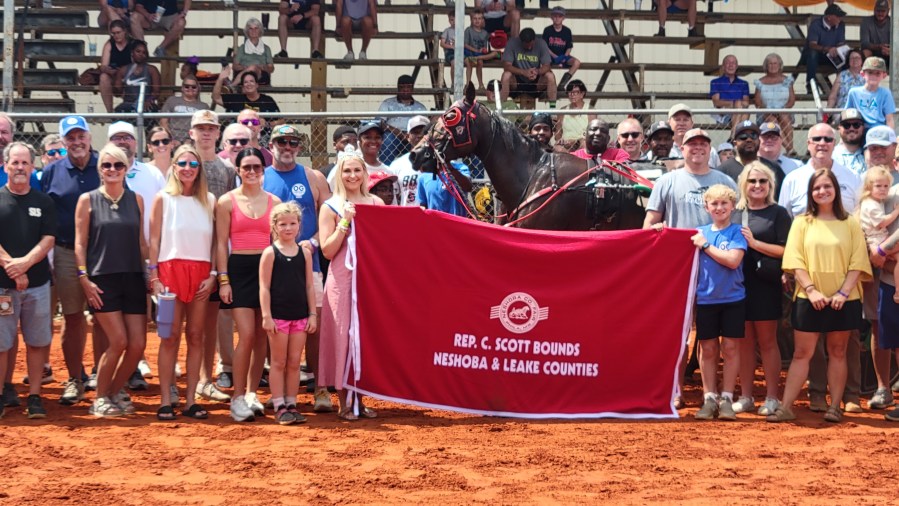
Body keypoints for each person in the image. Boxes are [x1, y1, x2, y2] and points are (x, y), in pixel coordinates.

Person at [768, 168, 872, 423]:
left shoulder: (850, 223)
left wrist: (843, 292)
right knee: (802, 353)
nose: (822, 191)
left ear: (836, 190)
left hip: (843, 299)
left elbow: (858, 261)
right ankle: (787, 407)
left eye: (827, 186)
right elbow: (795, 259)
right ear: (810, 193)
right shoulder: (802, 222)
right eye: (817, 188)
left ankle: (835, 406)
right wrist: (811, 290)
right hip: (808, 298)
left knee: (838, 351)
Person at [644, 128, 738, 409]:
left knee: (710, 333)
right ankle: (676, 389)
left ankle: (716, 394)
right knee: (678, 333)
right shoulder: (667, 181)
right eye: (691, 144)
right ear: (681, 148)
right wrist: (657, 231)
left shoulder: (724, 181)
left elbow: (737, 226)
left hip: (717, 267)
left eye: (703, 144)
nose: (697, 148)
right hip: (678, 268)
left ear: (710, 149)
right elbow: (649, 224)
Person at [261, 124, 332, 412]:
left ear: (300, 147)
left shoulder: (313, 177)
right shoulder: (261, 177)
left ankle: (321, 388)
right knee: (274, 326)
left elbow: (330, 215)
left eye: (292, 142)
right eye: (281, 141)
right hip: (275, 266)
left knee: (315, 325)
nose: (287, 147)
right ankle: (275, 390)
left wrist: (314, 243)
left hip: (309, 264)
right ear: (272, 144)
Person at [74, 144, 148, 418]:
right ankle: (100, 398)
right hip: (102, 278)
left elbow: (142, 243)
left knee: (138, 344)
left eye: (118, 165)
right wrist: (83, 277)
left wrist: (153, 270)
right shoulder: (87, 200)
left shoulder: (137, 199)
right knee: (117, 341)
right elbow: (80, 243)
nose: (113, 170)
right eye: (107, 165)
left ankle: (114, 391)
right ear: (100, 170)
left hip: (133, 278)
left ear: (126, 169)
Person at [147, 144, 216, 420]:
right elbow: (154, 240)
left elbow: (216, 241)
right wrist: (154, 276)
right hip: (169, 271)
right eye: (182, 163)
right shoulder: (162, 198)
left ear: (199, 169)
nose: (188, 169)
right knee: (170, 336)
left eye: (193, 164)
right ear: (174, 167)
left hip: (200, 274)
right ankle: (166, 400)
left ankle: (190, 401)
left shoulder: (209, 200)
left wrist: (212, 275)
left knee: (197, 336)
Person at [41, 116, 106, 407]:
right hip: (66, 252)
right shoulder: (51, 172)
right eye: (71, 137)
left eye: (81, 136)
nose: (77, 142)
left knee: (105, 317)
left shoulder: (107, 165)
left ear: (89, 137)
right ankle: (74, 379)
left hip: (103, 253)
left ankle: (101, 377)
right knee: (72, 316)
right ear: (64, 141)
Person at [217, 148, 282, 422]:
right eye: (247, 167)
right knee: (245, 335)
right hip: (238, 270)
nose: (252, 172)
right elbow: (220, 243)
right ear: (238, 170)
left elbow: (278, 242)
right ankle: (237, 397)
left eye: (257, 167)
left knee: (261, 339)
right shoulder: (226, 202)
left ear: (263, 170)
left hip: (267, 270)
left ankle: (253, 393)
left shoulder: (275, 201)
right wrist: (223, 280)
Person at [319, 152, 385, 420]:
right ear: (339, 174)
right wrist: (345, 221)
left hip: (368, 281)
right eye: (347, 171)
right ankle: (344, 401)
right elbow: (327, 250)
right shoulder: (330, 206)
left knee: (364, 338)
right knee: (342, 335)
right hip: (342, 280)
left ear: (365, 173)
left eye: (357, 170)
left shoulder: (377, 203)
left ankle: (360, 398)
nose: (352, 176)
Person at [0, 142, 57, 419]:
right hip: (4, 288)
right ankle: (1, 395)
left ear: (32, 167)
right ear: (5, 165)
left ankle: (35, 396)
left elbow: (48, 239)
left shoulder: (43, 201)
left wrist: (26, 263)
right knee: (1, 344)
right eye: (15, 163)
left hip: (38, 286)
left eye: (25, 163)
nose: (20, 167)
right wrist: (13, 267)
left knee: (36, 341)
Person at [734, 161, 791, 416]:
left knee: (768, 342)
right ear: (743, 184)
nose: (757, 186)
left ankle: (771, 397)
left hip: (765, 284)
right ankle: (746, 396)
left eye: (762, 181)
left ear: (770, 185)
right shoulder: (734, 212)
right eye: (752, 181)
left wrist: (755, 243)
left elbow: (786, 251)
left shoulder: (778, 213)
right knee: (744, 343)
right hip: (737, 284)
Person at [188, 110, 236, 401]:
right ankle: (182, 380)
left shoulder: (226, 170)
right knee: (185, 322)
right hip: (185, 252)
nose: (206, 133)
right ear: (192, 132)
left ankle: (206, 378)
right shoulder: (183, 164)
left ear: (218, 133)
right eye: (200, 128)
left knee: (207, 322)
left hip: (214, 253)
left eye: (210, 128)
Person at [690, 184, 747, 421]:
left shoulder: (737, 232)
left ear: (733, 206)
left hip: (733, 298)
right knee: (708, 348)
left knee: (731, 348)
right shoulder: (698, 231)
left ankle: (726, 398)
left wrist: (705, 245)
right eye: (714, 203)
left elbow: (733, 261)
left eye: (724, 203)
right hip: (705, 299)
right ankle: (709, 397)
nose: (719, 207)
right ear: (706, 207)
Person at [260, 202, 316, 425]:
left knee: (294, 362)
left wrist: (312, 314)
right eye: (282, 224)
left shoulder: (305, 253)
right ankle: (278, 405)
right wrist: (266, 316)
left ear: (299, 226)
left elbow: (310, 286)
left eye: (292, 223)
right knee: (278, 362)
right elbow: (263, 286)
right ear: (274, 226)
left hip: (300, 316)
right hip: (278, 317)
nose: (288, 228)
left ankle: (291, 403)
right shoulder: (270, 253)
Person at [779, 124, 861, 219]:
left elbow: (859, 216)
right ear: (808, 144)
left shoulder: (852, 177)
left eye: (828, 139)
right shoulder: (792, 180)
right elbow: (784, 219)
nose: (822, 143)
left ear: (834, 144)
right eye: (817, 139)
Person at [717, 120, 785, 199]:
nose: (749, 139)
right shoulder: (724, 170)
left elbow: (782, 198)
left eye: (753, 136)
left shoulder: (773, 167)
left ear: (759, 141)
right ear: (735, 143)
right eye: (743, 137)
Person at [378, 75, 426, 166]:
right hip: (393, 135)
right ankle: (385, 170)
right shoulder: (387, 103)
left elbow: (424, 127)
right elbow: (380, 123)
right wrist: (396, 132)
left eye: (408, 87)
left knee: (421, 138)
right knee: (388, 138)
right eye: (402, 87)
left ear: (412, 89)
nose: (405, 90)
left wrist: (411, 134)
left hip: (412, 136)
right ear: (398, 88)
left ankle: (418, 168)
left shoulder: (420, 107)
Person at [500, 28, 556, 106]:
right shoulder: (512, 43)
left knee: (550, 76)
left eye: (531, 45)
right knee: (506, 75)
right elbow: (506, 66)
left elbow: (547, 65)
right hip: (517, 81)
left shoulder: (541, 43)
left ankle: (553, 110)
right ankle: (502, 109)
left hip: (535, 81)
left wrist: (537, 72)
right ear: (521, 41)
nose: (529, 48)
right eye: (526, 45)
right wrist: (523, 72)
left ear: (534, 40)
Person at [754, 53, 796, 154]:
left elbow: (792, 100)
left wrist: (783, 109)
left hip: (784, 111)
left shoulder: (787, 81)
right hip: (766, 113)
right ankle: (789, 148)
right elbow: (757, 102)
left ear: (779, 65)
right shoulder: (761, 82)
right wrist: (767, 110)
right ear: (766, 66)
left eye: (775, 63)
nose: (773, 66)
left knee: (784, 117)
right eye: (770, 64)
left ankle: (789, 148)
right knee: (772, 120)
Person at [801, 3, 847, 93]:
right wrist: (827, 49)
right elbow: (812, 45)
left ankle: (844, 85)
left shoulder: (841, 25)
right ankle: (811, 84)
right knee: (812, 54)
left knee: (849, 56)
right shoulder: (816, 25)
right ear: (829, 17)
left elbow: (841, 43)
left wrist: (838, 50)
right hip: (816, 55)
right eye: (838, 16)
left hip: (831, 55)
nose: (840, 19)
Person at [845, 57, 895, 130]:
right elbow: (847, 115)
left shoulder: (886, 93)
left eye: (877, 73)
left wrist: (891, 138)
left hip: (879, 129)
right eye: (870, 73)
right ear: (862, 74)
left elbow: (889, 119)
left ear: (884, 75)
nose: (873, 76)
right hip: (859, 130)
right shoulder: (853, 92)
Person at [390, 115, 429, 207]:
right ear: (408, 137)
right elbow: (394, 197)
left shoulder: (442, 162)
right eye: (415, 132)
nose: (420, 135)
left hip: (435, 217)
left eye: (424, 132)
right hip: (409, 217)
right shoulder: (397, 165)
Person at [113, 40, 160, 113]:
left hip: (146, 103)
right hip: (128, 104)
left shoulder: (152, 70)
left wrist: (149, 100)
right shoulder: (123, 70)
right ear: (132, 53)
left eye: (144, 52)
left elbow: (156, 91)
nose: (141, 54)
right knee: (118, 111)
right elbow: (117, 92)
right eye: (138, 51)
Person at [668, 103, 720, 168]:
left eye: (685, 120)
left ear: (692, 123)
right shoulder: (663, 149)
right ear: (669, 123)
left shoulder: (710, 151)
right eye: (677, 120)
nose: (681, 123)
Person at [160, 76, 209, 144]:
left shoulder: (204, 106)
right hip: (172, 138)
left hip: (193, 139)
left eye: (193, 87)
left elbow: (205, 127)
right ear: (182, 88)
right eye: (187, 86)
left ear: (198, 88)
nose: (190, 88)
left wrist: (192, 140)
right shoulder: (172, 100)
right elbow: (163, 122)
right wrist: (171, 139)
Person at [542, 7, 580, 93]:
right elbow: (545, 47)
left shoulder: (567, 31)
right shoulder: (547, 30)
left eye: (560, 16)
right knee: (544, 64)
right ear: (551, 17)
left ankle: (562, 84)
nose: (557, 18)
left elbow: (569, 47)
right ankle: (549, 86)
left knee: (576, 62)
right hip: (550, 56)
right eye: (555, 16)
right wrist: (555, 57)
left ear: (563, 18)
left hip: (563, 55)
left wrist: (564, 57)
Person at [213, 68, 280, 116]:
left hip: (262, 135)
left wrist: (266, 123)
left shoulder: (268, 100)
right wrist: (220, 79)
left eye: (251, 81)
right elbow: (216, 98)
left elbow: (281, 120)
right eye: (245, 82)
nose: (249, 84)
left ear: (257, 85)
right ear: (243, 87)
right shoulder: (235, 99)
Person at [98, 20, 133, 114]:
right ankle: (110, 112)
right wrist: (108, 70)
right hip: (113, 75)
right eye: (113, 33)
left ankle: (128, 110)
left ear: (124, 31)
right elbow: (103, 66)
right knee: (103, 77)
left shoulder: (132, 44)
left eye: (118, 32)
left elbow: (136, 65)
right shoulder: (109, 44)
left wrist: (122, 72)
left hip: (128, 75)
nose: (116, 35)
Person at [709, 54, 750, 129]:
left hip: (739, 113)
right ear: (723, 66)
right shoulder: (715, 82)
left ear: (737, 66)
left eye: (733, 63)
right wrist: (735, 104)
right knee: (741, 109)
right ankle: (736, 137)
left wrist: (735, 105)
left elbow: (746, 103)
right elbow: (717, 103)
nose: (731, 65)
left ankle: (733, 137)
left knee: (745, 113)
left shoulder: (743, 84)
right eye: (728, 63)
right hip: (723, 115)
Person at [233, 18, 275, 86]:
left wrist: (263, 67)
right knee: (252, 68)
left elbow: (271, 68)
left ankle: (232, 86)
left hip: (261, 74)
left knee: (253, 68)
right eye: (251, 28)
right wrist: (246, 68)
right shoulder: (242, 48)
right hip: (244, 74)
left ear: (260, 31)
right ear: (247, 31)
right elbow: (235, 66)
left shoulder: (266, 48)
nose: (253, 31)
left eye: (256, 28)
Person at [464, 9, 498, 92]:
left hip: (479, 55)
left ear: (483, 20)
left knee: (494, 53)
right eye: (475, 18)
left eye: (479, 18)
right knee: (474, 61)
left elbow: (485, 47)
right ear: (471, 20)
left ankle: (480, 85)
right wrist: (476, 50)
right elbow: (465, 45)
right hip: (470, 54)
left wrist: (484, 50)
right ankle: (468, 84)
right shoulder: (468, 30)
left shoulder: (485, 33)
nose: (477, 21)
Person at [555, 80, 593, 152]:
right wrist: (561, 140)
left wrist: (576, 141)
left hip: (582, 142)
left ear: (582, 93)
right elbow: (558, 134)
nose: (572, 95)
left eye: (575, 92)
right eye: (570, 92)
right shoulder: (562, 111)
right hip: (566, 144)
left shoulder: (590, 110)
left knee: (584, 144)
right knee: (557, 148)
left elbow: (591, 133)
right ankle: (570, 156)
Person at [831, 108, 867, 177]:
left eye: (856, 125)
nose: (851, 128)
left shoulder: (870, 154)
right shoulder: (831, 155)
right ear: (839, 128)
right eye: (846, 125)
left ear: (863, 127)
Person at [861, 0, 891, 69]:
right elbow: (864, 44)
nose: (880, 13)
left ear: (888, 11)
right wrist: (880, 47)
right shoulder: (866, 22)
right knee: (865, 53)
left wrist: (890, 50)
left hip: (889, 53)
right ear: (874, 10)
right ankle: (863, 77)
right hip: (873, 53)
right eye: (878, 10)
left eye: (883, 11)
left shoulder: (893, 22)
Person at [439, 12, 456, 87]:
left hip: (460, 51)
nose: (454, 22)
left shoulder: (462, 31)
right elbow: (442, 44)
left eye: (455, 19)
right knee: (454, 63)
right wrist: (451, 47)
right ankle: (454, 83)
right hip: (450, 51)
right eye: (451, 20)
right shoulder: (447, 30)